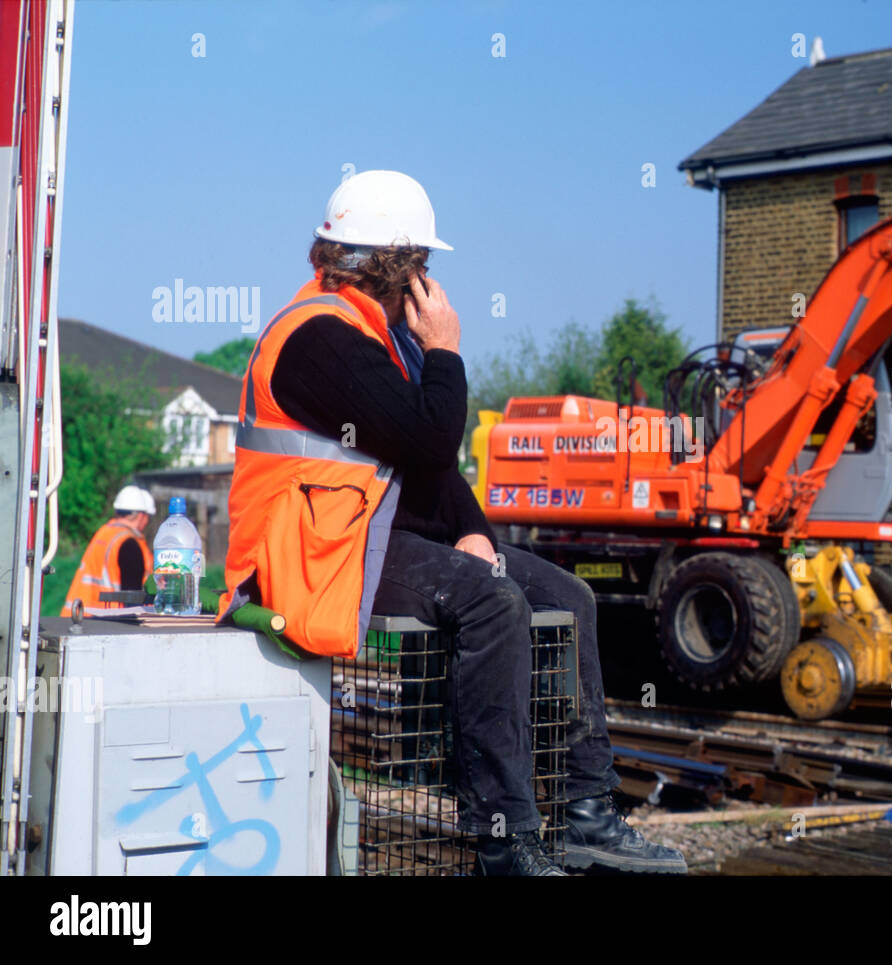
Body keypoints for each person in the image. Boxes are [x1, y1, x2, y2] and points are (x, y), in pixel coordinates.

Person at [217, 170, 685, 876]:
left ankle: (589, 813)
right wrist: (446, 348)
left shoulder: (374, 333)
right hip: (313, 555)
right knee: (490, 600)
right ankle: (506, 841)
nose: (429, 283)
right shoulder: (319, 338)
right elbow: (431, 437)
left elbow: (429, 464)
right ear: (393, 267)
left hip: (364, 537)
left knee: (569, 596)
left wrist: (477, 533)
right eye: (423, 267)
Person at [61, 485, 155, 616]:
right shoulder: (129, 544)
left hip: (77, 616)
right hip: (104, 622)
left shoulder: (105, 532)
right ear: (141, 516)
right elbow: (133, 598)